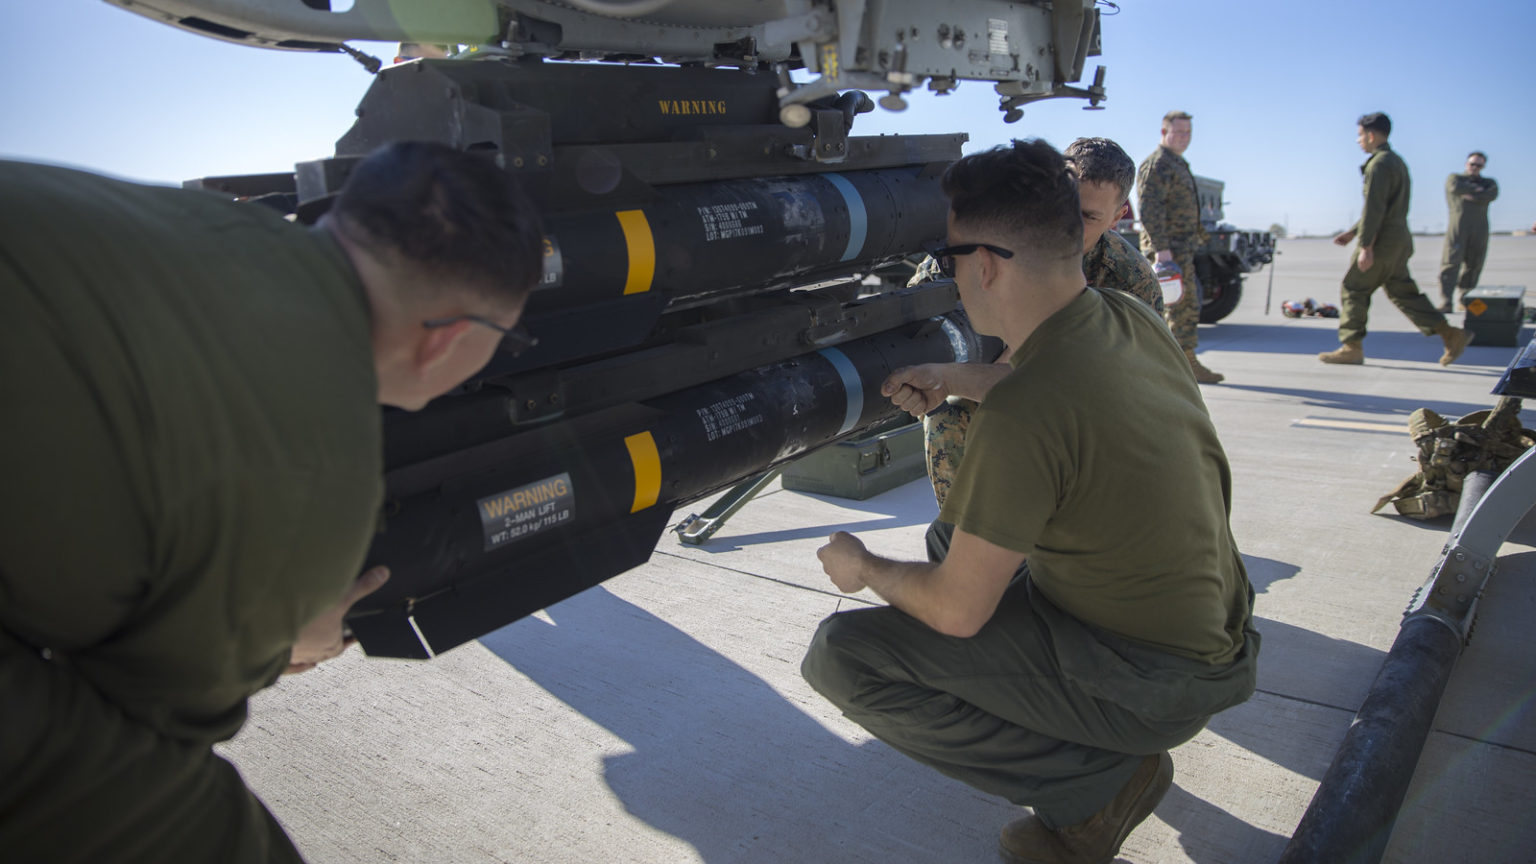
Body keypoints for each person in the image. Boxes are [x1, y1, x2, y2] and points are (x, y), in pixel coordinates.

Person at [0, 141, 545, 862]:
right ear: (445, 343)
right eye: (507, 338)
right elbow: (157, 716)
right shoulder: (316, 471)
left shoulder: (206, 224)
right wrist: (280, 637)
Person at [801, 139, 1259, 864]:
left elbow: (957, 612)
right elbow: (1035, 385)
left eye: (951, 256)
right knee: (952, 541)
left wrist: (863, 568)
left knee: (842, 657)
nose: (953, 272)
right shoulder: (1126, 317)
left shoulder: (1026, 417)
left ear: (985, 264)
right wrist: (953, 378)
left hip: (1151, 681)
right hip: (1213, 636)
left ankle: (1096, 787)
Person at [923, 136, 1164, 525]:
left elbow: (1137, 389)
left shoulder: (1128, 280)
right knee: (949, 411)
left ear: (1117, 218)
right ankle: (959, 536)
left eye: (1087, 217)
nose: (1068, 226)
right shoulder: (993, 239)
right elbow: (924, 309)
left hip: (1087, 403)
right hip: (1002, 380)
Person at [1320, 113, 1471, 366]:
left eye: (1360, 135)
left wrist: (1366, 246)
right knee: (1403, 292)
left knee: (1354, 288)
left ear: (1371, 135)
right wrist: (1353, 232)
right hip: (1398, 239)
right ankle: (1450, 335)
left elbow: (1375, 207)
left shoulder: (1379, 164)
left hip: (1382, 241)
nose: (1358, 140)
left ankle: (1351, 346)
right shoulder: (1396, 161)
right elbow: (1385, 206)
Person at [1138, 110, 1224, 384]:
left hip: (1181, 250)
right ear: (1164, 132)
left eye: (1188, 133)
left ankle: (1183, 363)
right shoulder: (1158, 164)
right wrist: (1162, 250)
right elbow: (1149, 209)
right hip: (1168, 252)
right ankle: (1179, 367)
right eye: (1179, 132)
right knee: (1177, 308)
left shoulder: (1177, 163)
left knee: (1185, 307)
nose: (1184, 138)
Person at [1437, 151, 1499, 312]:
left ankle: (1465, 299)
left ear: (1483, 166)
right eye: (1472, 164)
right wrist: (1477, 191)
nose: (1475, 167)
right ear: (1467, 164)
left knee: (1474, 265)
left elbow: (1491, 194)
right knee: (1450, 263)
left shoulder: (1489, 182)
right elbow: (1455, 188)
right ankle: (1446, 301)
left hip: (1480, 229)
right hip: (1458, 228)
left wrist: (1471, 193)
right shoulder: (1455, 178)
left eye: (1479, 165)